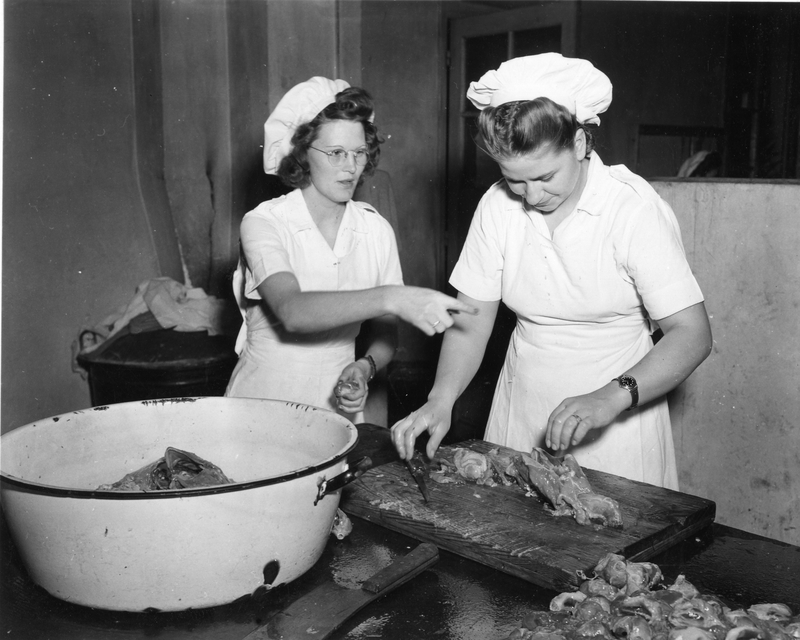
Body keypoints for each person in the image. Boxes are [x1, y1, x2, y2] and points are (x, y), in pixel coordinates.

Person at [391, 54, 712, 489]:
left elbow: (691, 333)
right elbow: (471, 319)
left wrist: (611, 397)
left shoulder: (631, 209)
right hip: (521, 408)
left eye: (544, 176)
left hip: (615, 413)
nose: (530, 195)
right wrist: (441, 398)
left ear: (580, 144)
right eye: (515, 179)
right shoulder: (497, 206)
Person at [226, 77, 474, 422]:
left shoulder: (374, 229)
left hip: (340, 410)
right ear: (302, 153)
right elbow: (293, 311)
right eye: (336, 153)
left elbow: (386, 333)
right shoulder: (265, 222)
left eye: (359, 153)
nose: (351, 166)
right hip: (263, 401)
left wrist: (364, 366)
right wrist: (392, 297)